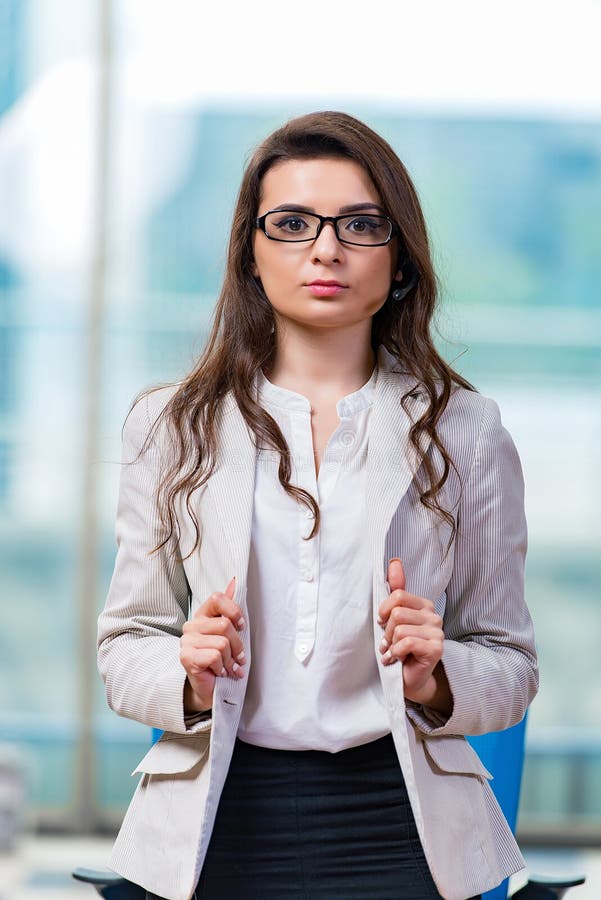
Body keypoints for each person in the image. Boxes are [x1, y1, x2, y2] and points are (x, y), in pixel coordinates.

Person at [97, 111, 538, 900]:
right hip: (213, 814)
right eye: (292, 223)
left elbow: (510, 662)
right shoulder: (170, 425)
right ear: (250, 253)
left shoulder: (466, 432)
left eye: (360, 225)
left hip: (402, 820)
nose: (325, 248)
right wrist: (187, 675)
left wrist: (436, 677)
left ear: (399, 258)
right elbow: (124, 645)